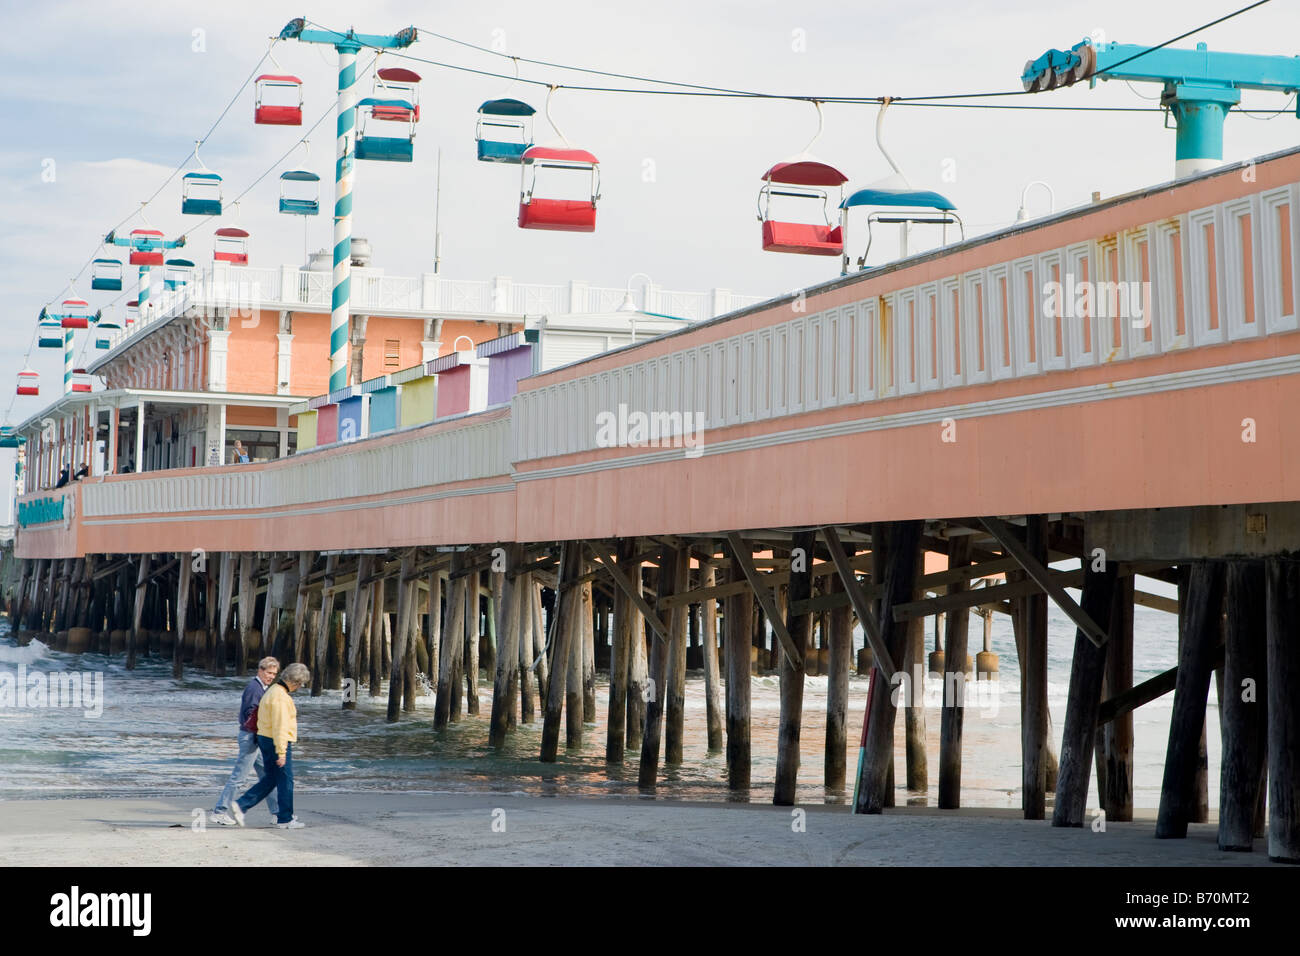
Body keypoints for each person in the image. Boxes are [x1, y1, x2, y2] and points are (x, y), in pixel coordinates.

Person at [231, 662, 310, 829]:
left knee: (272, 778)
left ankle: (242, 804)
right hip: (276, 741)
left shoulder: (272, 690)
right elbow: (280, 727)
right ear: (294, 682)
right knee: (286, 780)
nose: (299, 687)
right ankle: (285, 819)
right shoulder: (282, 697)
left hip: (264, 738)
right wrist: (281, 752)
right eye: (300, 684)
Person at [210, 657, 281, 826]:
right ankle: (219, 811)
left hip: (254, 737)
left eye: (274, 674)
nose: (271, 677)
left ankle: (278, 813)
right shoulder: (255, 689)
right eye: (269, 673)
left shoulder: (261, 688)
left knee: (269, 776)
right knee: (239, 777)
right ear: (260, 670)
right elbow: (252, 715)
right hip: (251, 737)